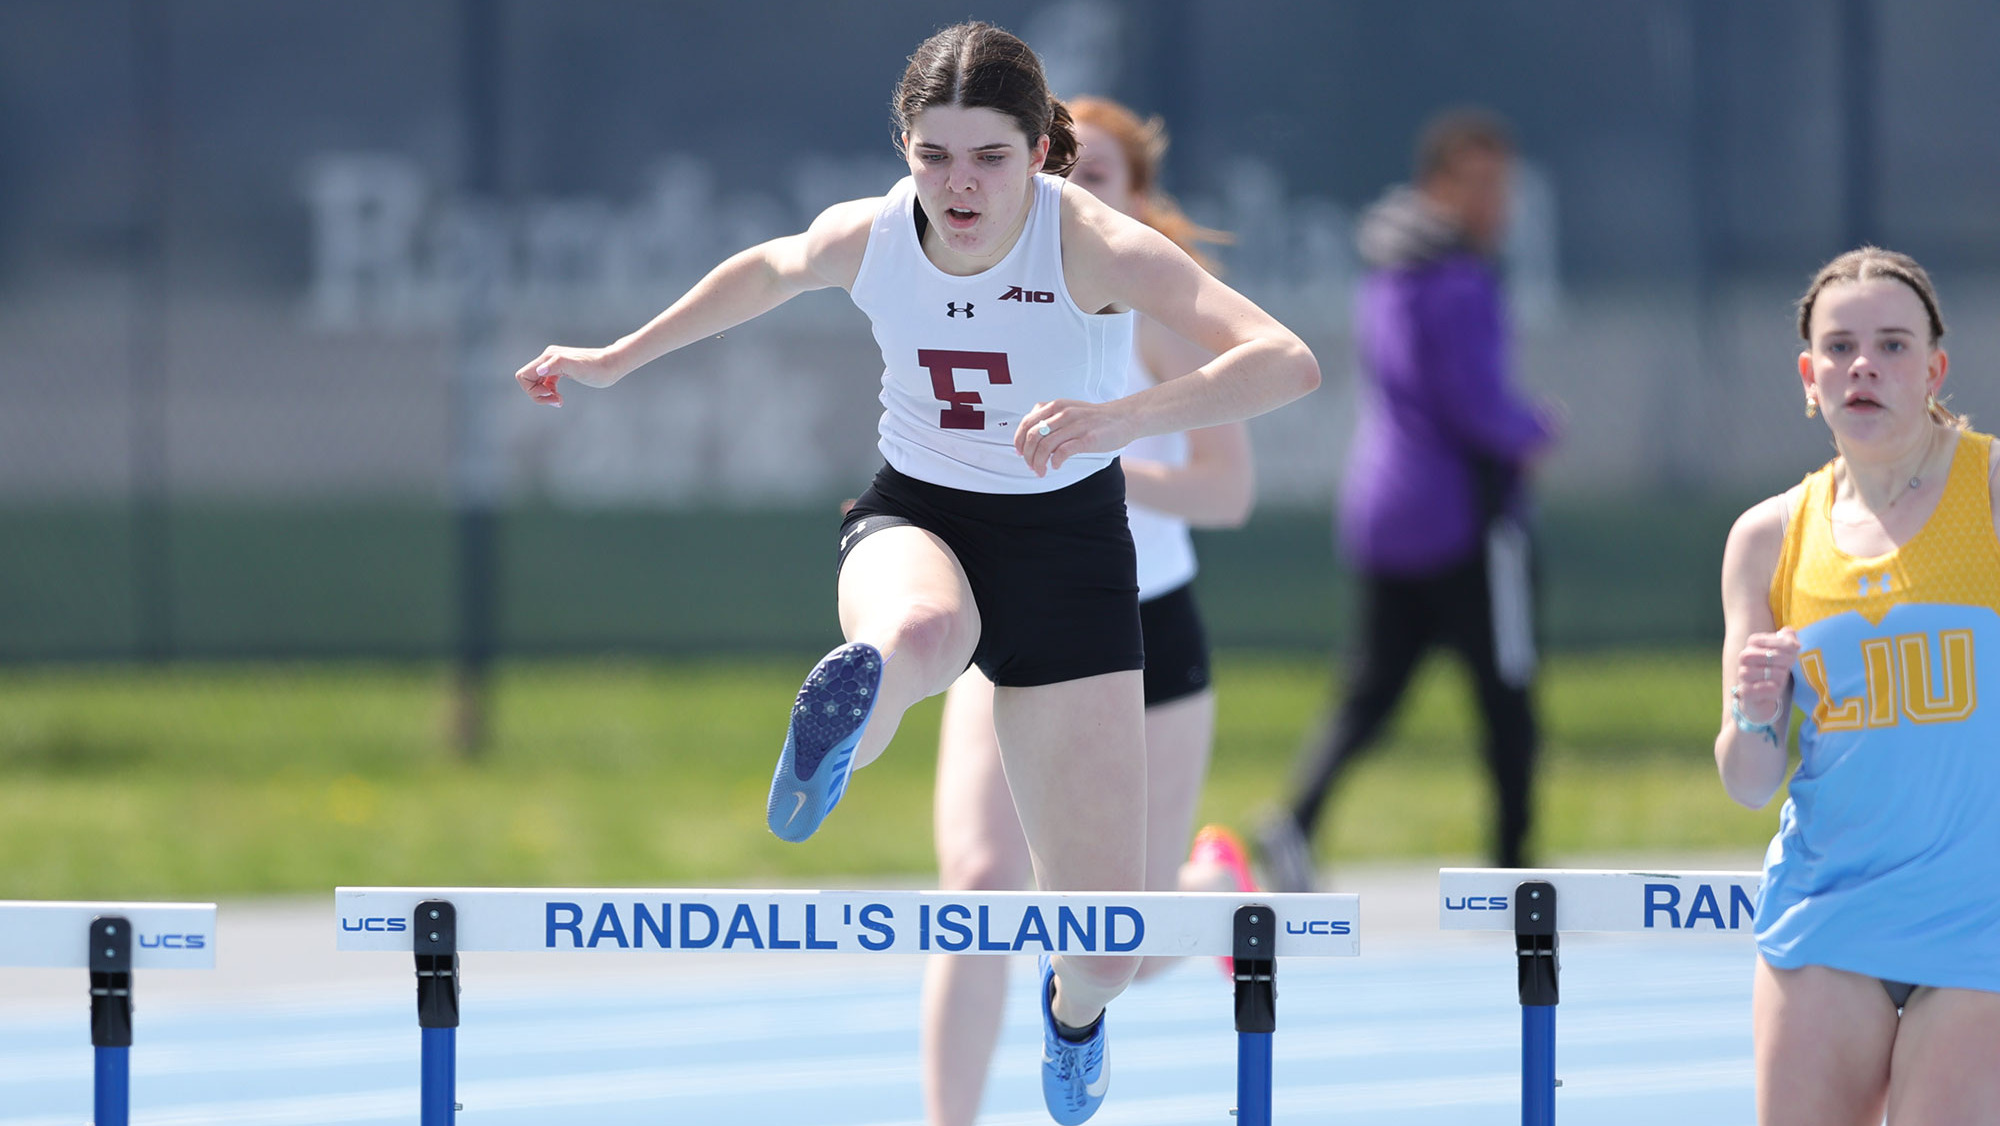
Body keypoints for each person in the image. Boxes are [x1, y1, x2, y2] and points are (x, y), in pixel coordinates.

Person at [513, 23, 1319, 1124]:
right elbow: (763, 270)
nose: (959, 186)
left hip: (1073, 558)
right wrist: (612, 357)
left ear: (1039, 150)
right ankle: (845, 720)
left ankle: (1072, 1016)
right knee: (916, 631)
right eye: (933, 156)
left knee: (1105, 949)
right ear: (903, 146)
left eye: (987, 157)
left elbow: (1284, 358)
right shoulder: (875, 235)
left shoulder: (1091, 244)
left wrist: (1115, 419)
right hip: (920, 513)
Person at [919, 95, 1259, 1126]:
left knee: (1122, 940)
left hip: (1144, 628)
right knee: (976, 887)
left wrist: (1098, 459)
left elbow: (1227, 492)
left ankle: (1209, 891)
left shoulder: (1159, 312)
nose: (1067, 194)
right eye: (1052, 171)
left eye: (1093, 175)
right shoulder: (971, 293)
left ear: (1136, 198)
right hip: (1014, 622)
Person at [1718, 246, 2000, 1125]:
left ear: (1934, 369)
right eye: (1839, 348)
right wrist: (1756, 712)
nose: (1863, 366)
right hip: (1830, 916)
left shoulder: (1989, 493)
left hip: (1979, 919)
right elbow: (1747, 779)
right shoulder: (1768, 537)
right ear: (1810, 375)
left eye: (1892, 345)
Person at [1259, 108, 1556, 891]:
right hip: (1463, 523)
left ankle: (1294, 822)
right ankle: (1517, 871)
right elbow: (1471, 402)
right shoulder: (1457, 278)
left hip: (1386, 512)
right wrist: (1534, 429)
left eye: (1505, 186)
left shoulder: (1389, 272)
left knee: (1372, 692)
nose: (1498, 203)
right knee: (1508, 699)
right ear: (1439, 188)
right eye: (1481, 184)